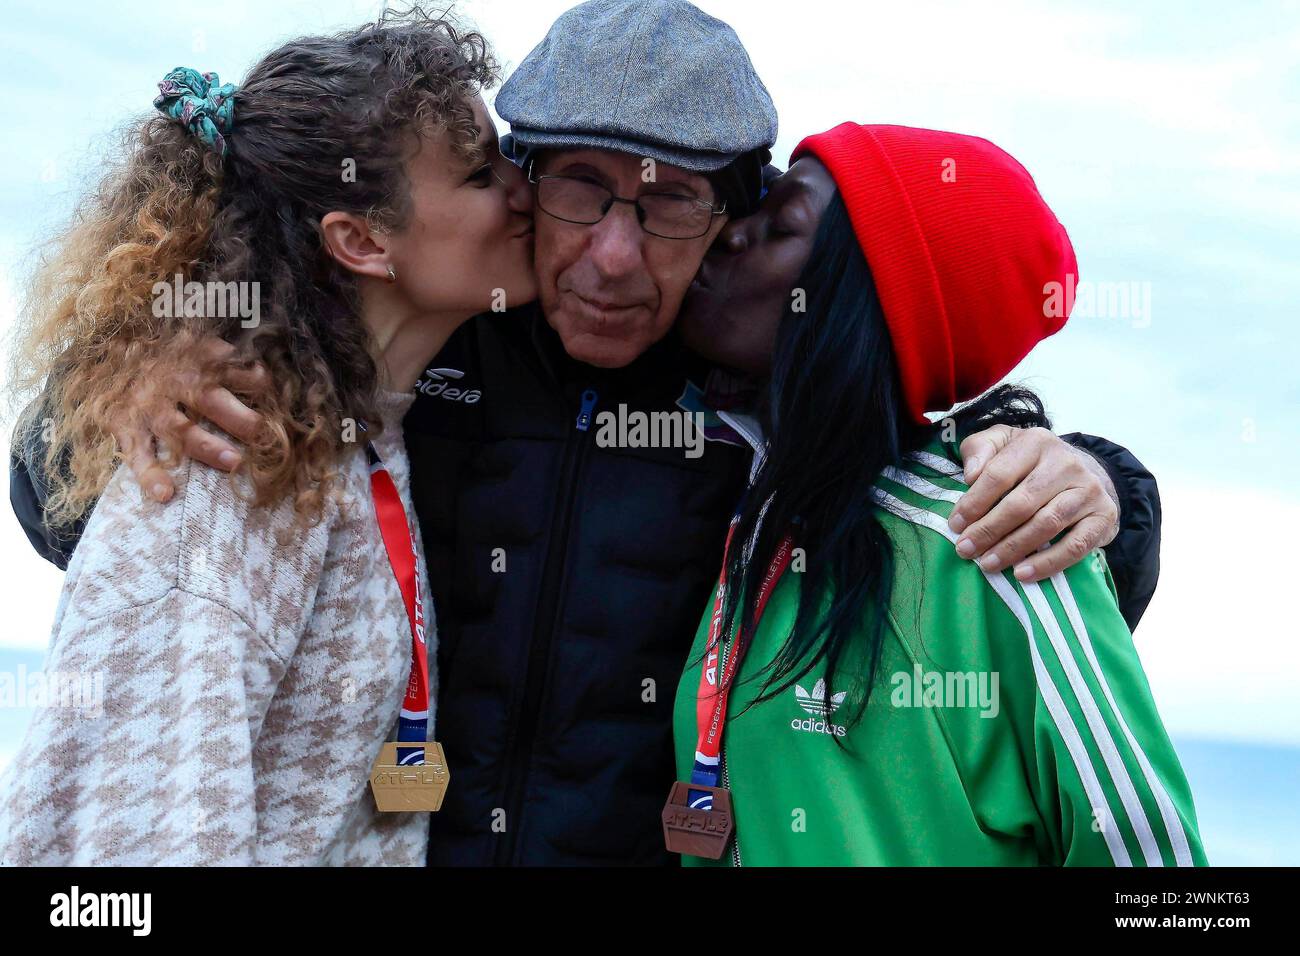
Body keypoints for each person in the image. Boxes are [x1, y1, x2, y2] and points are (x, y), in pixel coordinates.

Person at [9, 0, 1161, 866]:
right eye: (580, 188)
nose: (613, 255)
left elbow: (922, 442)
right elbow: (82, 515)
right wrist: (121, 396)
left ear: (731, 217)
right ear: (520, 178)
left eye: (667, 204)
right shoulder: (438, 338)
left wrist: (1093, 476)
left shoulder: (751, 395)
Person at [0, 12, 536, 865]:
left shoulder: (359, 423)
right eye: (480, 173)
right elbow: (143, 853)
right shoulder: (221, 457)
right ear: (361, 240)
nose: (524, 188)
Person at [668, 123, 1204, 866]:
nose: (732, 234)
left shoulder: (995, 543)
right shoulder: (758, 510)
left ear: (858, 307)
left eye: (779, 224)